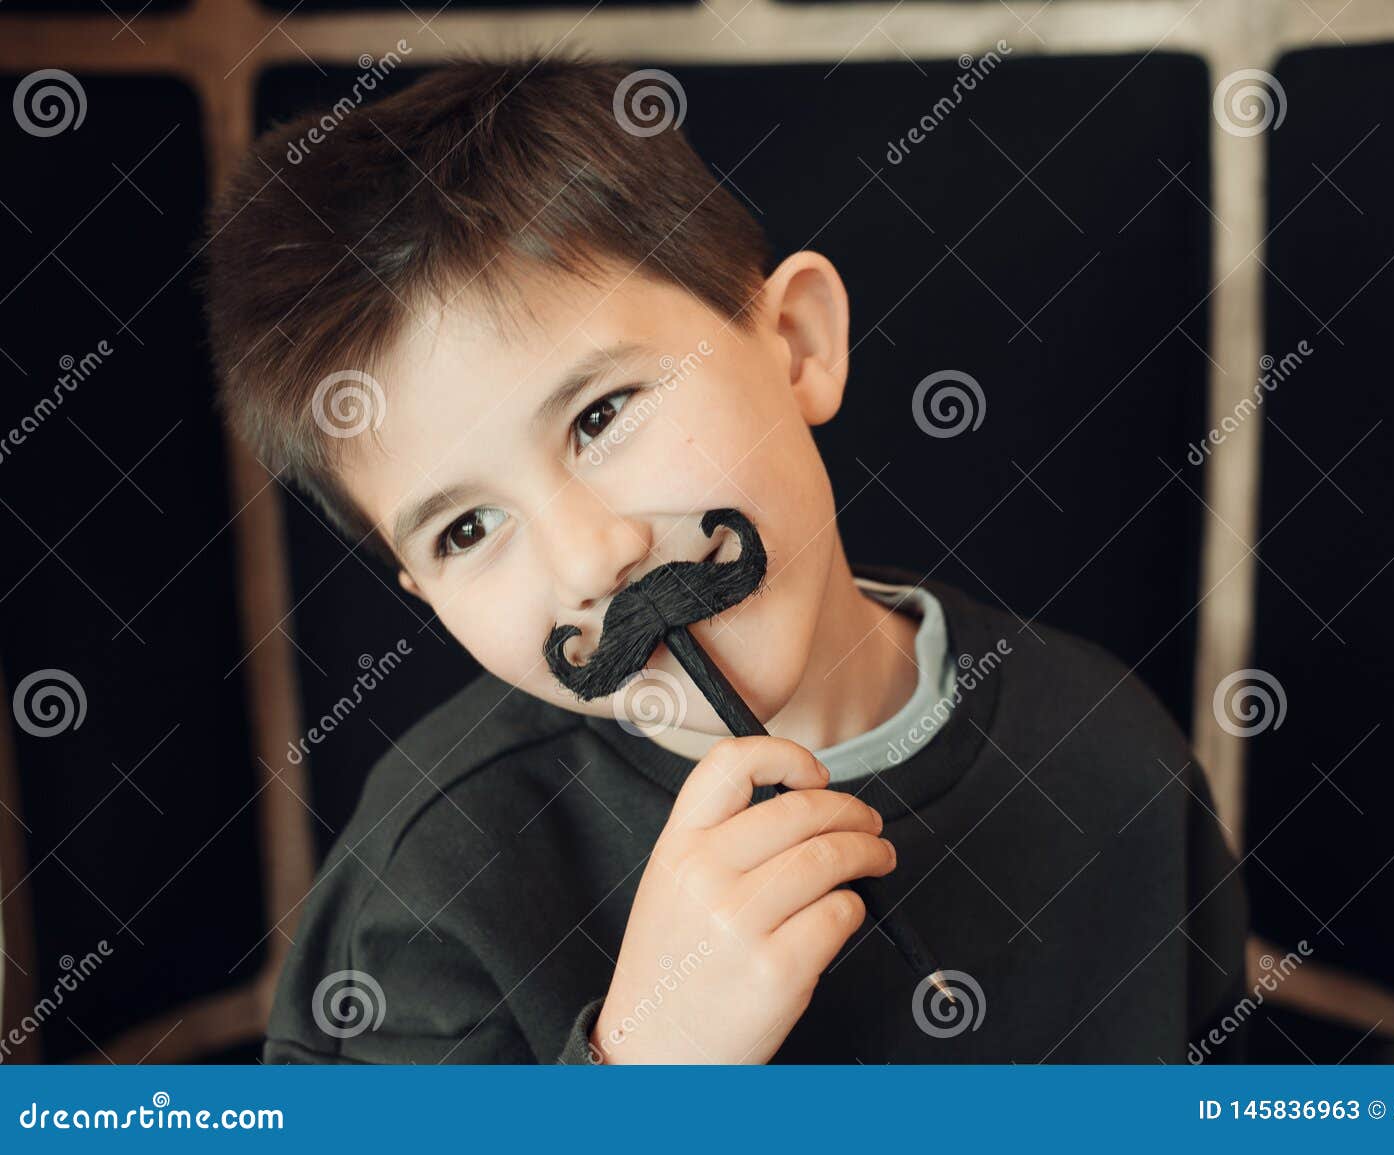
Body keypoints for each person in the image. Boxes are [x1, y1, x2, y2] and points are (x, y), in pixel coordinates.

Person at [203, 56, 1247, 1064]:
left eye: (602, 413)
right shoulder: (430, 880)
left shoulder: (1108, 751)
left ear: (795, 343)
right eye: (465, 529)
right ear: (422, 594)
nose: (591, 559)